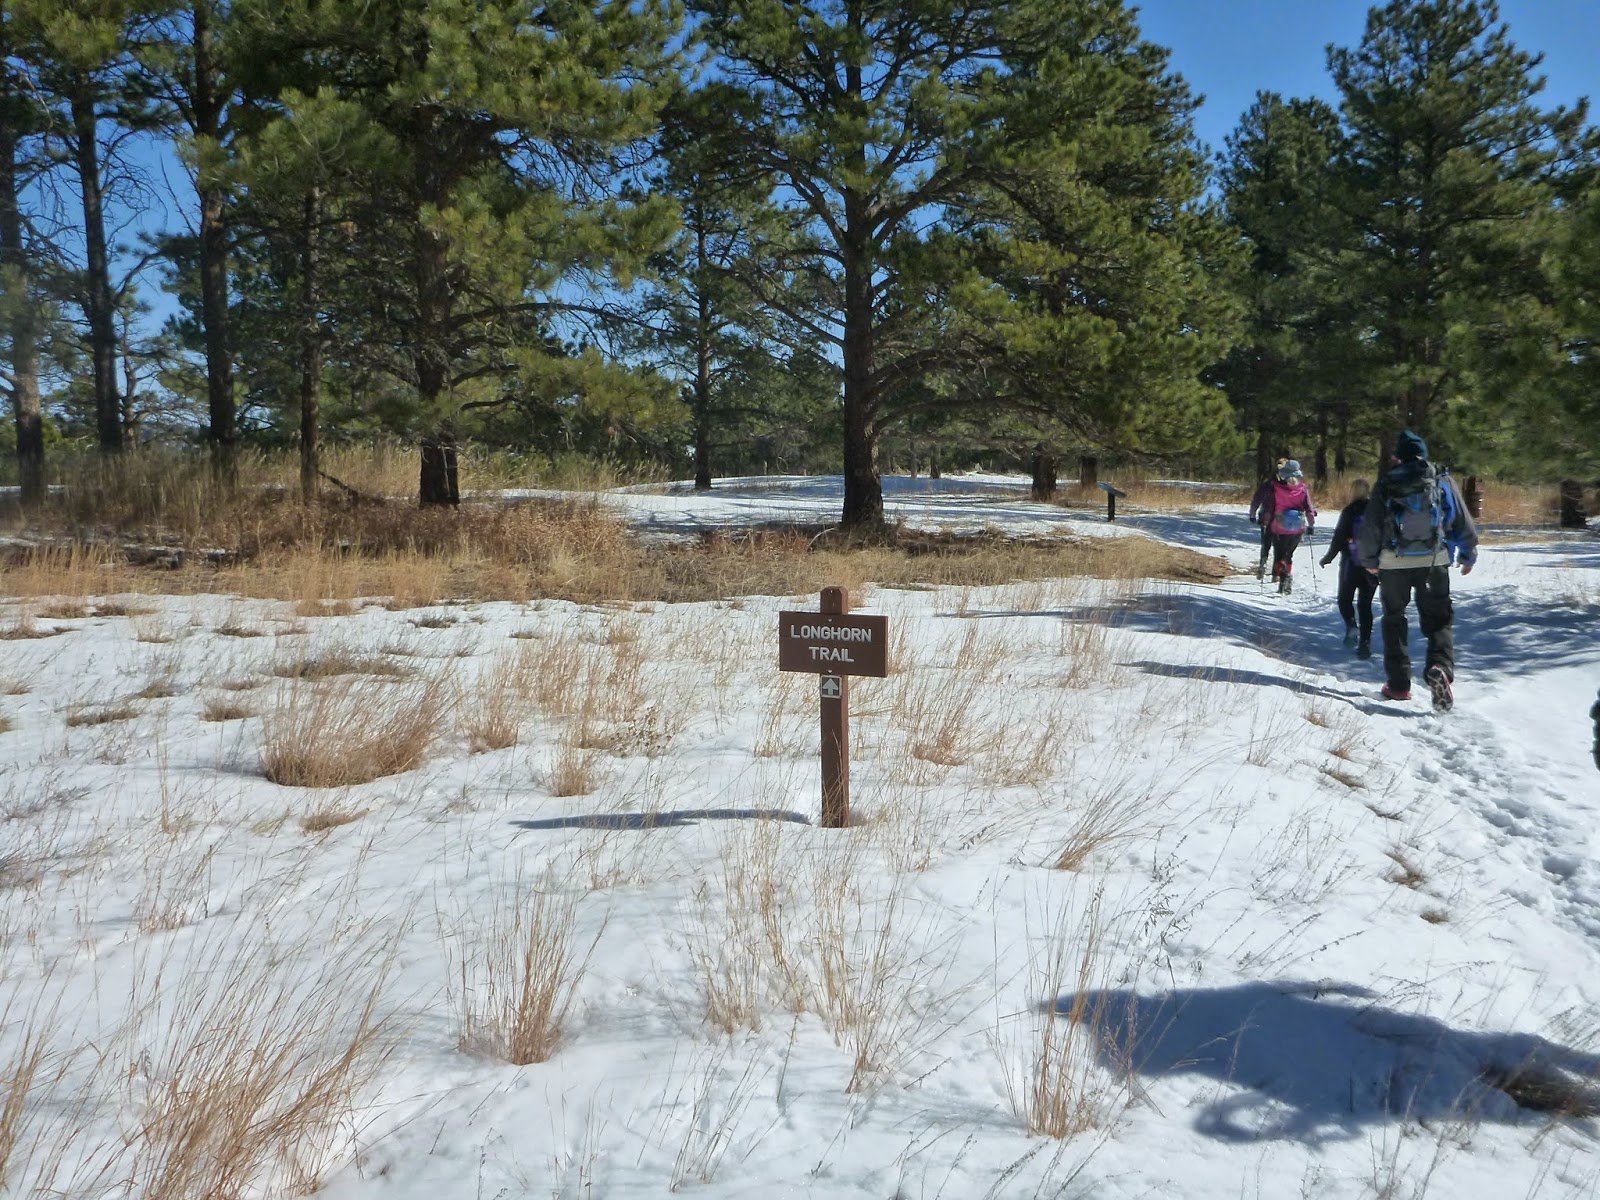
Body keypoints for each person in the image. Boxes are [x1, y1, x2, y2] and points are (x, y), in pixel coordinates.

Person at [1355, 431, 1478, 709]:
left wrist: (1370, 561)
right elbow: (1460, 518)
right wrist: (1468, 554)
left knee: (1394, 618)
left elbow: (1371, 525)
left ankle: (1398, 686)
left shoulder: (1387, 481)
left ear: (1398, 455)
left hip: (1393, 563)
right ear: (1424, 453)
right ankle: (1440, 668)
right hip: (1434, 561)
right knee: (1439, 620)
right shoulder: (1440, 478)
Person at [1319, 479, 1379, 657]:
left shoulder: (1349, 511)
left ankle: (1351, 624)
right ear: (1368, 491)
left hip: (1350, 564)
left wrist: (1328, 557)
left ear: (1353, 491)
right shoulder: (1376, 511)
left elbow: (1339, 537)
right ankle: (1365, 644)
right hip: (1372, 565)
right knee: (1365, 605)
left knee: (1344, 599)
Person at [1264, 460, 1315, 595]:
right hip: (1298, 527)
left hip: (1279, 525)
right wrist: (1311, 525)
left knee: (1280, 553)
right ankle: (1287, 576)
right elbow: (1309, 508)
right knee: (1289, 554)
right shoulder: (1303, 489)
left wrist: (1265, 521)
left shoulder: (1276, 488)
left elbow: (1270, 507)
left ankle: (1284, 577)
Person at [1248, 459, 1289, 579]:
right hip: (1282, 519)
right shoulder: (1289, 486)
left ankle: (1262, 565)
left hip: (1266, 517)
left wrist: (1252, 514)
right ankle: (1276, 573)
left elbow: (1256, 500)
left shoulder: (1267, 485)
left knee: (1266, 544)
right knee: (1279, 546)